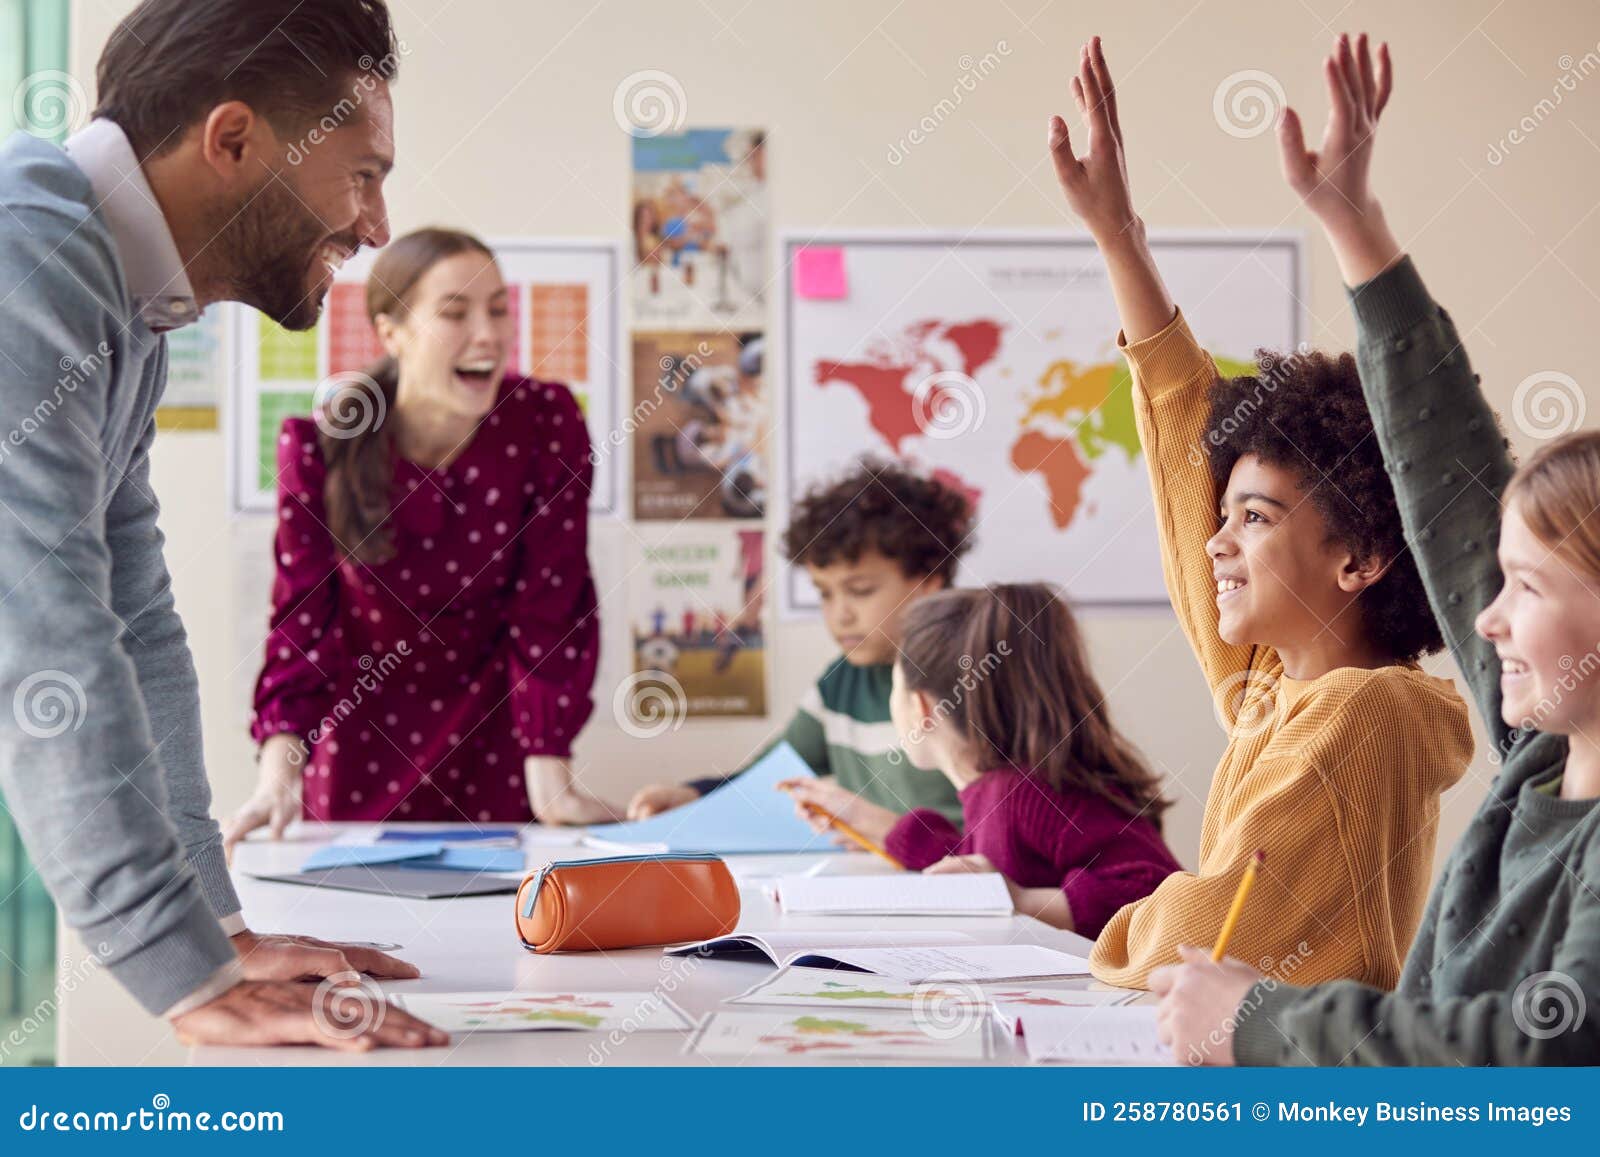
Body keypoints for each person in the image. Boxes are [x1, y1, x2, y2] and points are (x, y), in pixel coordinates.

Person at [0, 0, 444, 1049]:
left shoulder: (121, 301)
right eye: (363, 174)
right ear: (234, 140)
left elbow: (135, 617)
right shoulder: (30, 250)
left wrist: (209, 924)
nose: (377, 226)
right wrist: (175, 961)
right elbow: (40, 626)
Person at [1154, 33, 1600, 1067]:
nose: (1483, 618)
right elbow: (1449, 479)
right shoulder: (1541, 750)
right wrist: (1354, 226)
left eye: (1526, 586)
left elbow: (1554, 1050)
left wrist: (1261, 1019)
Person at [1051, 38, 1472, 989]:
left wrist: (1105, 932)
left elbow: (1207, 928)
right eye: (1230, 514)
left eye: (1255, 518)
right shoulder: (1269, 691)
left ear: (1358, 557)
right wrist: (1120, 237)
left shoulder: (1369, 708)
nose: (1216, 539)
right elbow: (1180, 437)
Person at [226, 227, 610, 847]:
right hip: (358, 757)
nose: (487, 334)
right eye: (455, 313)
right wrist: (277, 779)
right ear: (390, 332)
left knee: (497, 937)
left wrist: (549, 763)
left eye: (497, 310)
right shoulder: (321, 447)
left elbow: (552, 601)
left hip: (499, 754)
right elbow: (301, 624)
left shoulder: (547, 424)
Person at [626, 460, 972, 827]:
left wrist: (892, 833)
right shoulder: (841, 684)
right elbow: (768, 780)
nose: (840, 615)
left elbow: (1009, 840)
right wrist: (693, 796)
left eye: (860, 591)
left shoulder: (980, 679)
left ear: (929, 581)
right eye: (824, 594)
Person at [858, 584, 1181, 937]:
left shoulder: (1025, 795)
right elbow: (993, 865)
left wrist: (1021, 901)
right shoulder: (998, 793)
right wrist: (871, 823)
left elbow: (1155, 893)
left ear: (921, 708)